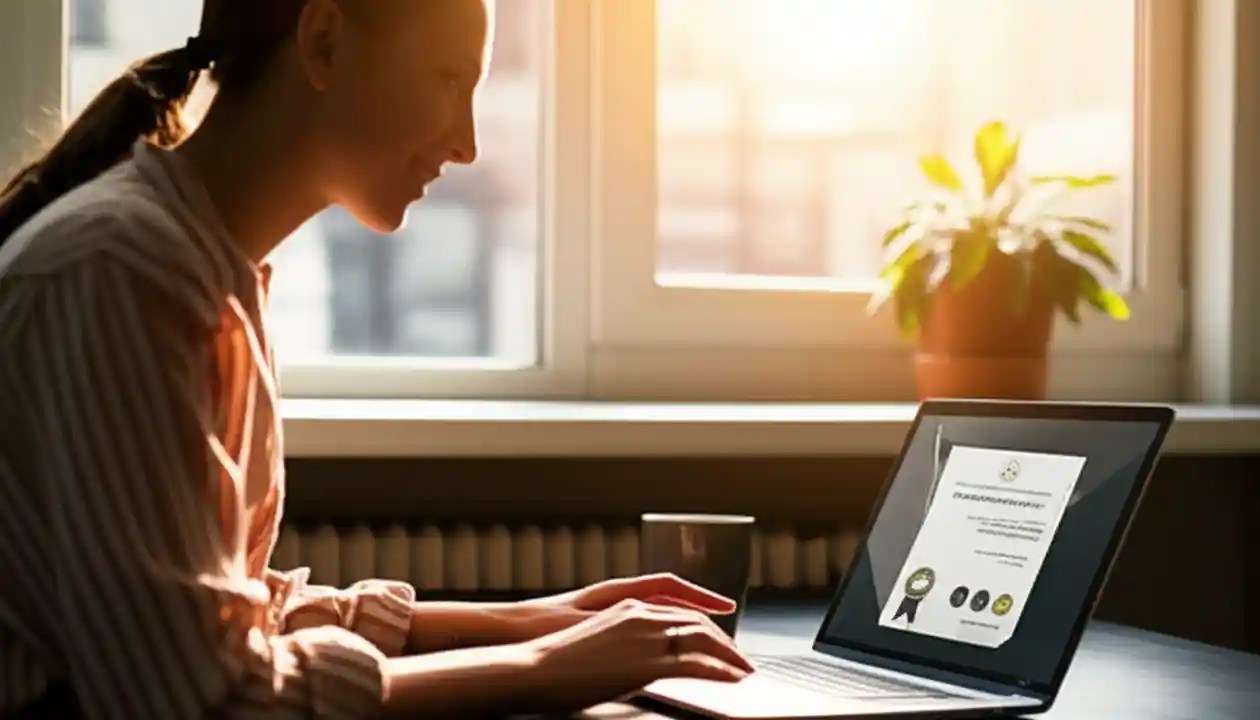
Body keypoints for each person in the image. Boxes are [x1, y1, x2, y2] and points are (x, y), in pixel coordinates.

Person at [0, 0, 753, 717]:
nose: (467, 143)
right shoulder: (123, 274)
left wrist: (532, 621)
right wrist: (542, 670)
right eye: (450, 81)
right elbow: (206, 698)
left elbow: (225, 614)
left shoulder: (202, 269)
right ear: (324, 42)